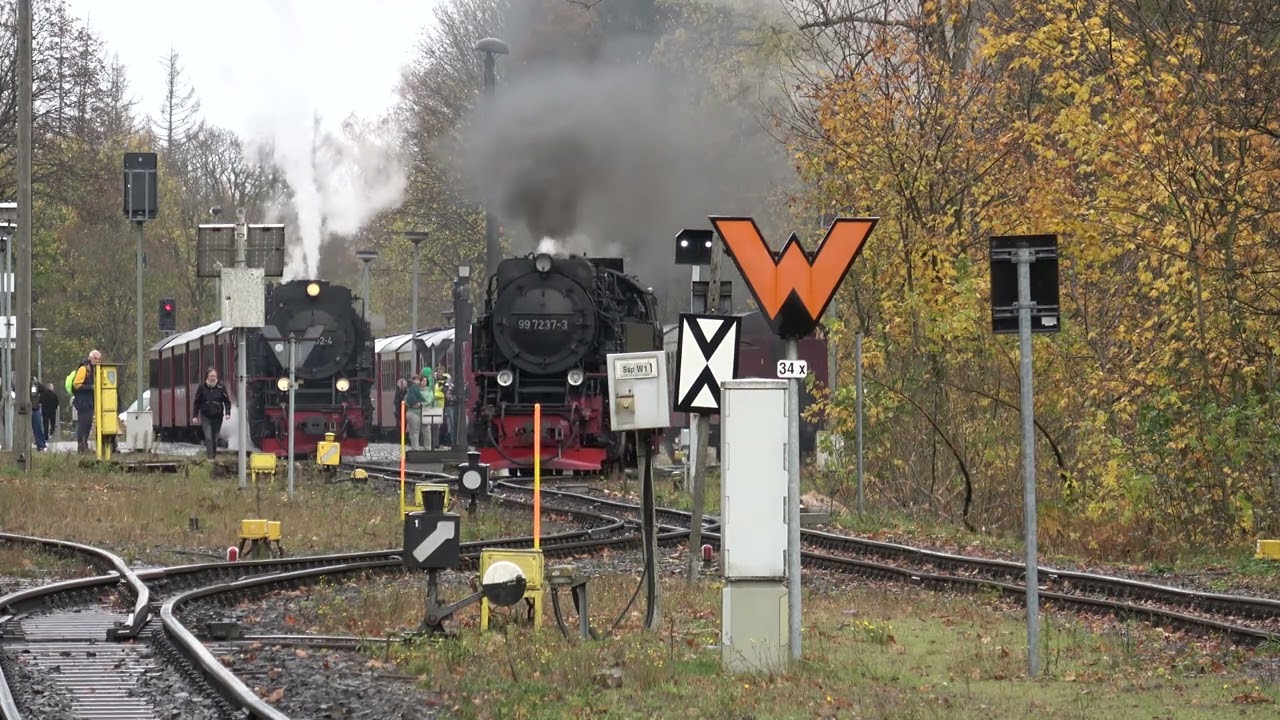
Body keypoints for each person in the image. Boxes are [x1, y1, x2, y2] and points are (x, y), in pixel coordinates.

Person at [191, 368, 231, 459]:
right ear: (207, 377)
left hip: (218, 416)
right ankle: (210, 458)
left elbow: (227, 401)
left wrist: (228, 412)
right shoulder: (202, 387)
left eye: (214, 376)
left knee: (215, 439)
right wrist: (195, 415)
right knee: (208, 437)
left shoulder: (221, 387)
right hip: (206, 416)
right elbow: (197, 402)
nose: (213, 378)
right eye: (211, 376)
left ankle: (213, 455)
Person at [70, 349, 102, 453]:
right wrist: (90, 387)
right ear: (91, 358)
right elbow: (76, 384)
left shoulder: (93, 370)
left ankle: (84, 445)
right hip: (82, 402)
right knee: (83, 424)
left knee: (87, 424)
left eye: (99, 359)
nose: (98, 361)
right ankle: (81, 446)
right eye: (96, 359)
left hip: (89, 402)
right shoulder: (84, 369)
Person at [404, 374, 428, 451]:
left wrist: (421, 403)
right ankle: (415, 449)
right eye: (416, 380)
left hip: (422, 411)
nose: (417, 382)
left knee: (425, 430)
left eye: (419, 380)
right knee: (415, 430)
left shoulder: (423, 390)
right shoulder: (412, 389)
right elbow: (405, 400)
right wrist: (412, 404)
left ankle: (427, 448)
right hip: (413, 411)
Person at [29, 378, 46, 452]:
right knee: (36, 427)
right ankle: (40, 444)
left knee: (37, 427)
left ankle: (41, 445)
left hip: (34, 408)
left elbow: (43, 389)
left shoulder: (34, 384)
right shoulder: (20, 383)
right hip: (26, 409)